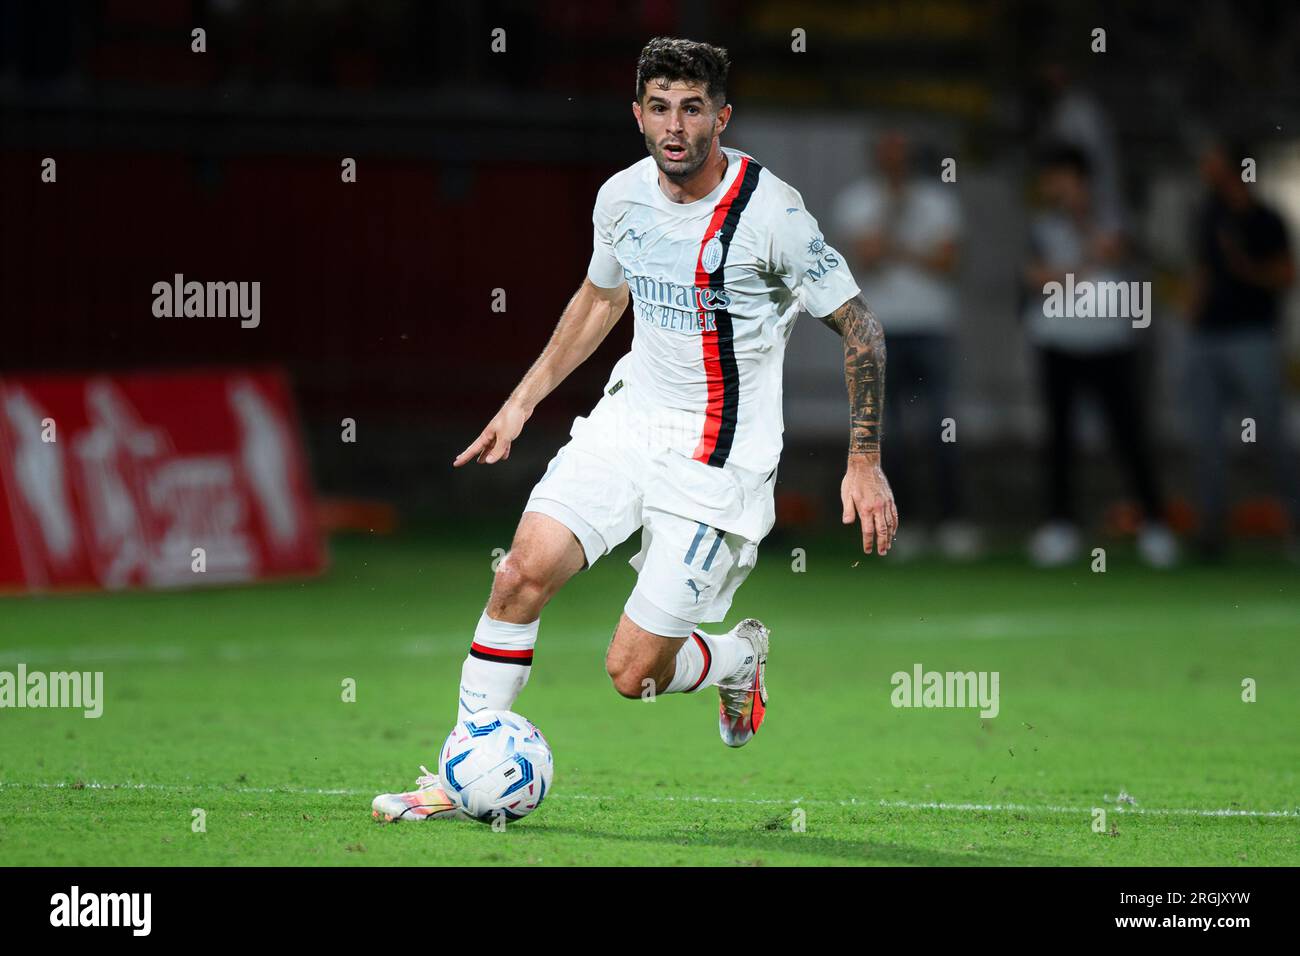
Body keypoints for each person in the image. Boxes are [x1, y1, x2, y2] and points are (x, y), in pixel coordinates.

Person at [373, 37, 898, 821]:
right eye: (659, 108)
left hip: (716, 461)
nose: (675, 126)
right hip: (627, 425)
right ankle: (464, 769)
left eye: (692, 109)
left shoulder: (774, 214)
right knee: (518, 575)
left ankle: (736, 656)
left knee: (633, 673)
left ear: (722, 117)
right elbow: (598, 300)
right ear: (638, 115)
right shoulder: (620, 198)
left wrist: (864, 459)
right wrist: (522, 402)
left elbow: (861, 329)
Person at [1022, 144, 1177, 568]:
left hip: (1108, 341)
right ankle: (1060, 525)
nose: (1052, 186)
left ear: (1080, 179)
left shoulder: (1112, 215)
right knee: (1059, 438)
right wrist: (1076, 268)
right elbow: (1035, 277)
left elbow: (1111, 251)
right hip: (1057, 340)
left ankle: (1155, 526)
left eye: (1060, 177)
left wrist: (1079, 233)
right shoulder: (1039, 224)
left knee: (1129, 435)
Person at [834, 130, 977, 559]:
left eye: (901, 153)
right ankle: (902, 526)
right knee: (887, 434)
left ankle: (954, 522)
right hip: (879, 332)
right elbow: (867, 257)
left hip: (931, 327)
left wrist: (896, 248)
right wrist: (911, 244)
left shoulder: (939, 201)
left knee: (942, 430)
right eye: (887, 153)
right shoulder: (858, 200)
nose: (895, 161)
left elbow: (948, 261)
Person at [1186, 139, 1298, 560]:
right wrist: (1192, 307)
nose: (1205, 172)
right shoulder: (1207, 216)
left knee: (1272, 433)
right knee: (1206, 437)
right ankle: (1211, 531)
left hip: (1253, 338)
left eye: (1213, 164)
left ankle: (1295, 521)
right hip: (1207, 338)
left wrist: (1246, 269)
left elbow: (1286, 276)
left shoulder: (1267, 219)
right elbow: (1201, 271)